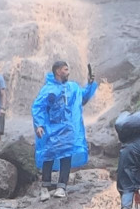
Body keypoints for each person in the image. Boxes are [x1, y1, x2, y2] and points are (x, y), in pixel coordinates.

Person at [31, 57, 97, 196]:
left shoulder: (72, 87)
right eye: (66, 69)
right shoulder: (48, 89)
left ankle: (62, 187)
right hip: (51, 128)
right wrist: (39, 125)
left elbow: (82, 98)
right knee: (48, 155)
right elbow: (39, 107)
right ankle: (45, 187)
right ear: (58, 71)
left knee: (66, 155)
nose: (68, 72)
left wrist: (90, 84)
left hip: (68, 129)